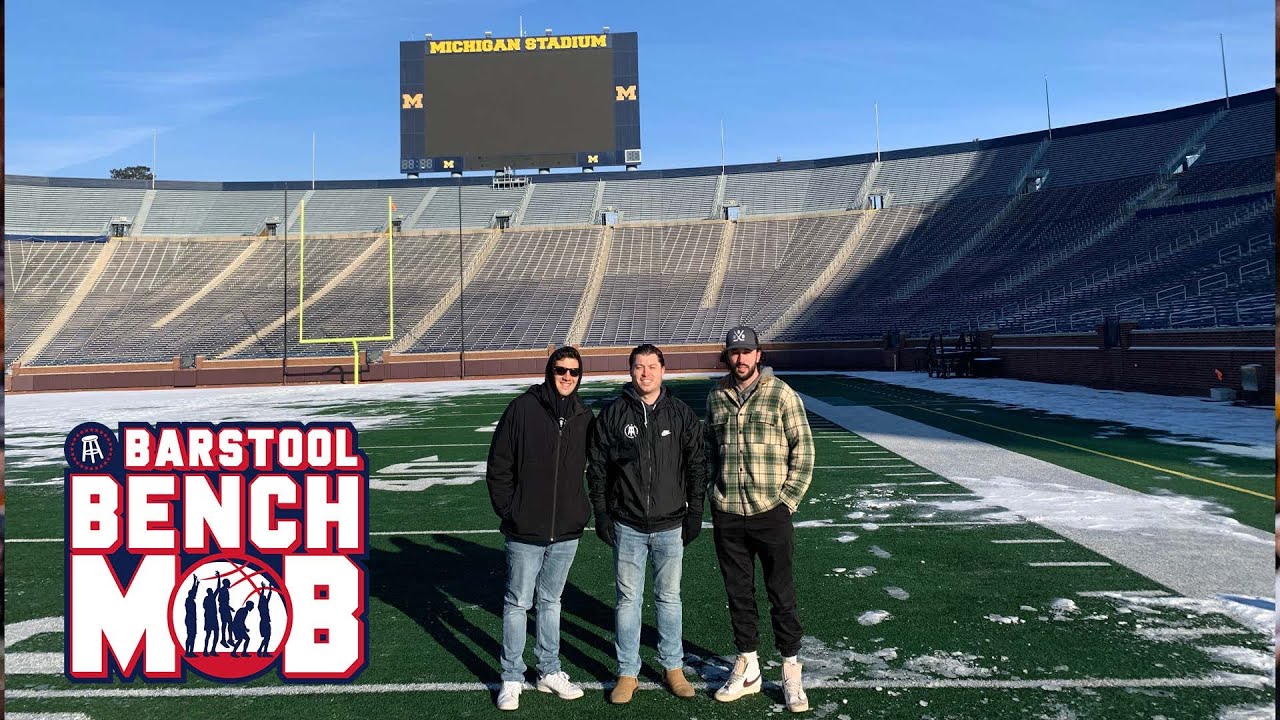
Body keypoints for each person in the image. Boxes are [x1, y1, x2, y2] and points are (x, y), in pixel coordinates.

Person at [587, 343, 706, 704]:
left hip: (671, 524)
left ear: (663, 370)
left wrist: (696, 511)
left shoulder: (681, 414)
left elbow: (697, 464)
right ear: (630, 371)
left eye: (652, 366)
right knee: (627, 600)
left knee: (669, 599)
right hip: (628, 525)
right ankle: (627, 671)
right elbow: (598, 468)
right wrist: (602, 513)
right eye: (639, 366)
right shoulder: (612, 414)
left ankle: (673, 667)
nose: (645, 373)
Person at [705, 326, 815, 713]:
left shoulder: (782, 393)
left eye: (746, 352)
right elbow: (709, 452)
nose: (740, 359)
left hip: (771, 512)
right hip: (729, 512)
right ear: (728, 356)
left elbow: (804, 450)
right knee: (739, 595)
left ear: (758, 355)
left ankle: (790, 671)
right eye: (734, 353)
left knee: (781, 595)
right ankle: (748, 665)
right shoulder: (716, 397)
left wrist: (787, 502)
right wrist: (712, 494)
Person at [486, 346, 594, 711]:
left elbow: (597, 468)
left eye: (574, 372)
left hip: (566, 530)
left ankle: (548, 670)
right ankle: (512, 676)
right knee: (518, 602)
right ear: (550, 371)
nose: (567, 377)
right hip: (525, 528)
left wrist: (583, 510)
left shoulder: (583, 415)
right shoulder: (522, 408)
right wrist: (510, 509)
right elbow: (499, 462)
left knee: (551, 602)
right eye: (561, 370)